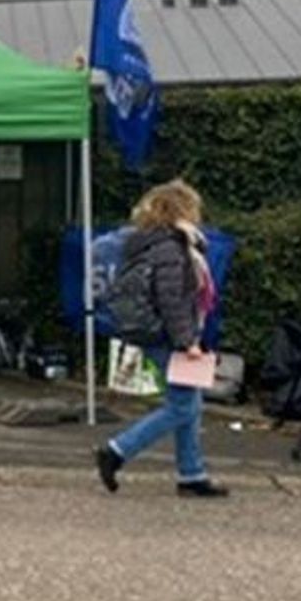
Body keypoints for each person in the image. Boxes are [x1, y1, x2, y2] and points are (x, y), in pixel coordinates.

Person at [95, 180, 230, 499]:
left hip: (158, 332)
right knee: (182, 407)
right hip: (166, 335)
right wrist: (187, 342)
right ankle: (116, 450)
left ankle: (191, 473)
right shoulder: (171, 248)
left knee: (189, 403)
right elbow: (172, 300)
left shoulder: (155, 244)